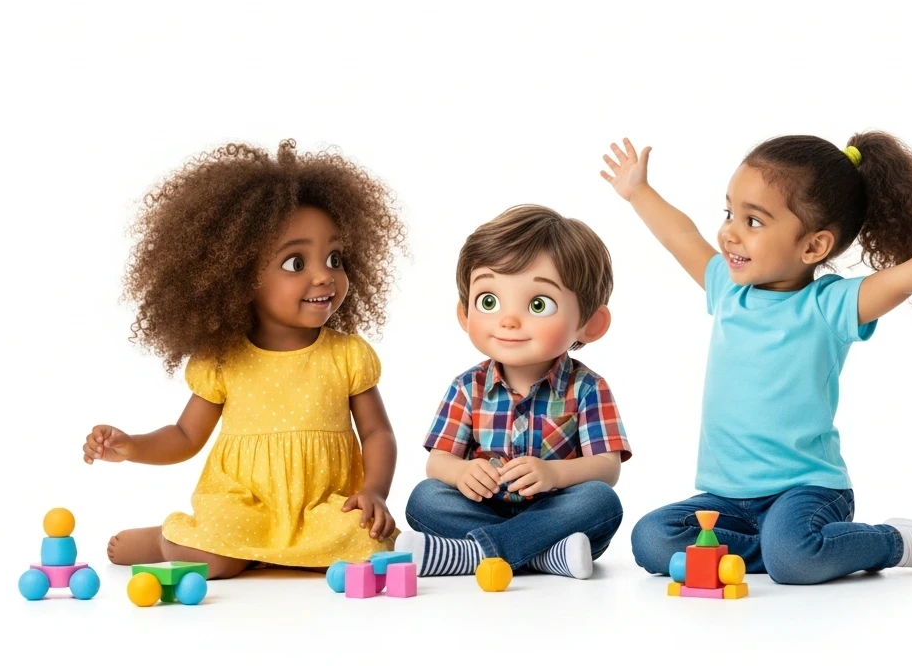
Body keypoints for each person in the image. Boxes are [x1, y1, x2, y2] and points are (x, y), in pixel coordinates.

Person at [602, 134, 912, 584]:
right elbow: (681, 234)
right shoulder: (727, 288)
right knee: (652, 538)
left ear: (814, 247)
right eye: (729, 213)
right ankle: (785, 552)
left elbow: (904, 279)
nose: (730, 231)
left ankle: (896, 541)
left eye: (753, 221)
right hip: (727, 499)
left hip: (807, 490)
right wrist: (638, 191)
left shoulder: (830, 305)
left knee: (793, 555)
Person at [83, 139, 407, 578]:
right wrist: (132, 446)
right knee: (217, 560)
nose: (323, 275)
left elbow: (377, 433)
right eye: (296, 262)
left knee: (366, 540)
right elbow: (184, 435)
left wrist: (374, 492)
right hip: (243, 502)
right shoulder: (225, 360)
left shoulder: (347, 355)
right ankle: (164, 539)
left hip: (319, 505)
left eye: (334, 257)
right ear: (239, 277)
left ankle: (265, 550)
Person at [396, 205, 631, 579]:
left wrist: (553, 474)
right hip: (482, 509)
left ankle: (472, 554)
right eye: (489, 301)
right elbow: (437, 462)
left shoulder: (588, 388)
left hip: (555, 513)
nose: (508, 320)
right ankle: (546, 558)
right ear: (465, 314)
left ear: (589, 324)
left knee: (600, 502)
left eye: (538, 304)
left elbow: (606, 467)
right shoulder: (467, 387)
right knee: (425, 499)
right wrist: (462, 473)